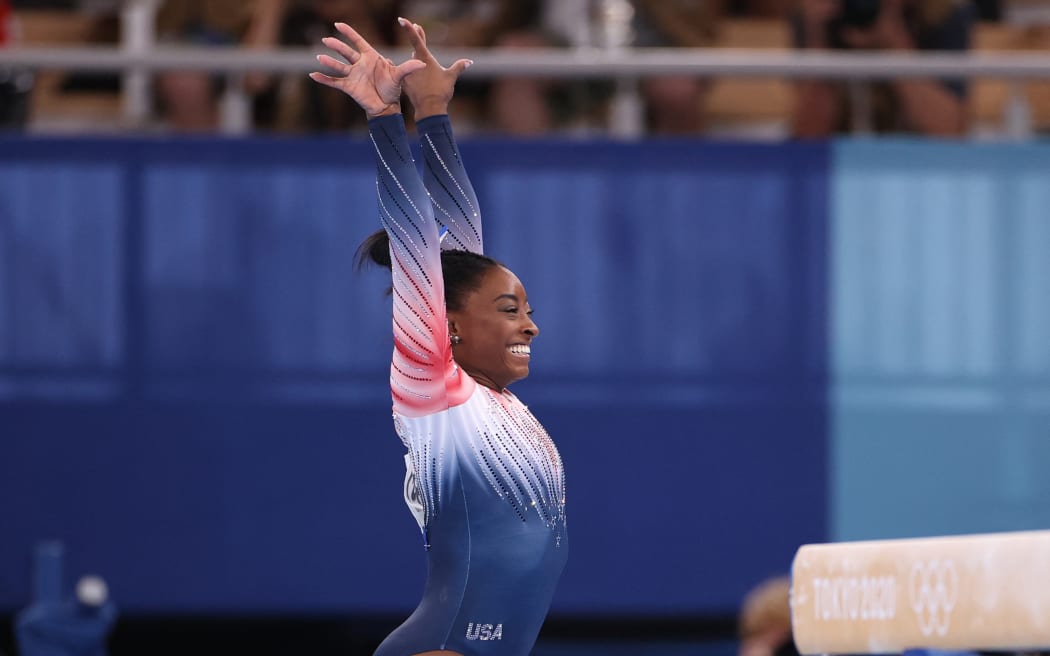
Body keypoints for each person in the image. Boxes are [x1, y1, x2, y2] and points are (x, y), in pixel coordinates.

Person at [309, 17, 567, 656]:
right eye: (510, 309)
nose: (530, 324)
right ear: (448, 325)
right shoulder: (433, 385)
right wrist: (383, 119)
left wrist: (434, 114)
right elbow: (418, 240)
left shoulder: (482, 396)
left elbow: (457, 241)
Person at [792, 0, 974, 137]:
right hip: (839, 167)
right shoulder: (819, 14)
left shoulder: (940, 13)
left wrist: (895, 43)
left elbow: (949, 132)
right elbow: (807, 135)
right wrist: (820, 39)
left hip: (918, 168)